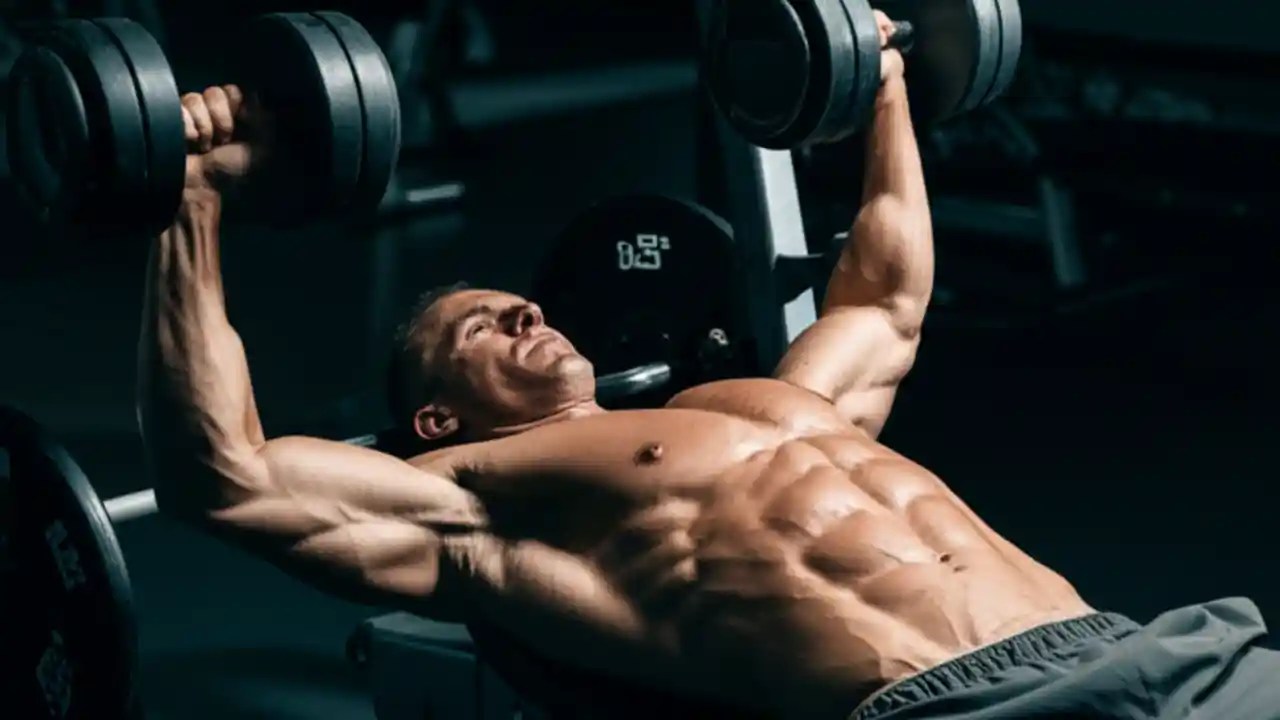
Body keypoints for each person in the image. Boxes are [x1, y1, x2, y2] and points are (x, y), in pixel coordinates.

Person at [137, 13, 1279, 720]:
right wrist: (192, 197)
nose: (523, 307)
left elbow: (885, 299)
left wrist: (885, 83)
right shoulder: (475, 505)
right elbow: (223, 474)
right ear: (435, 419)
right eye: (478, 328)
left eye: (516, 302)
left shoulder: (755, 398)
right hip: (951, 708)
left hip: (1139, 649)